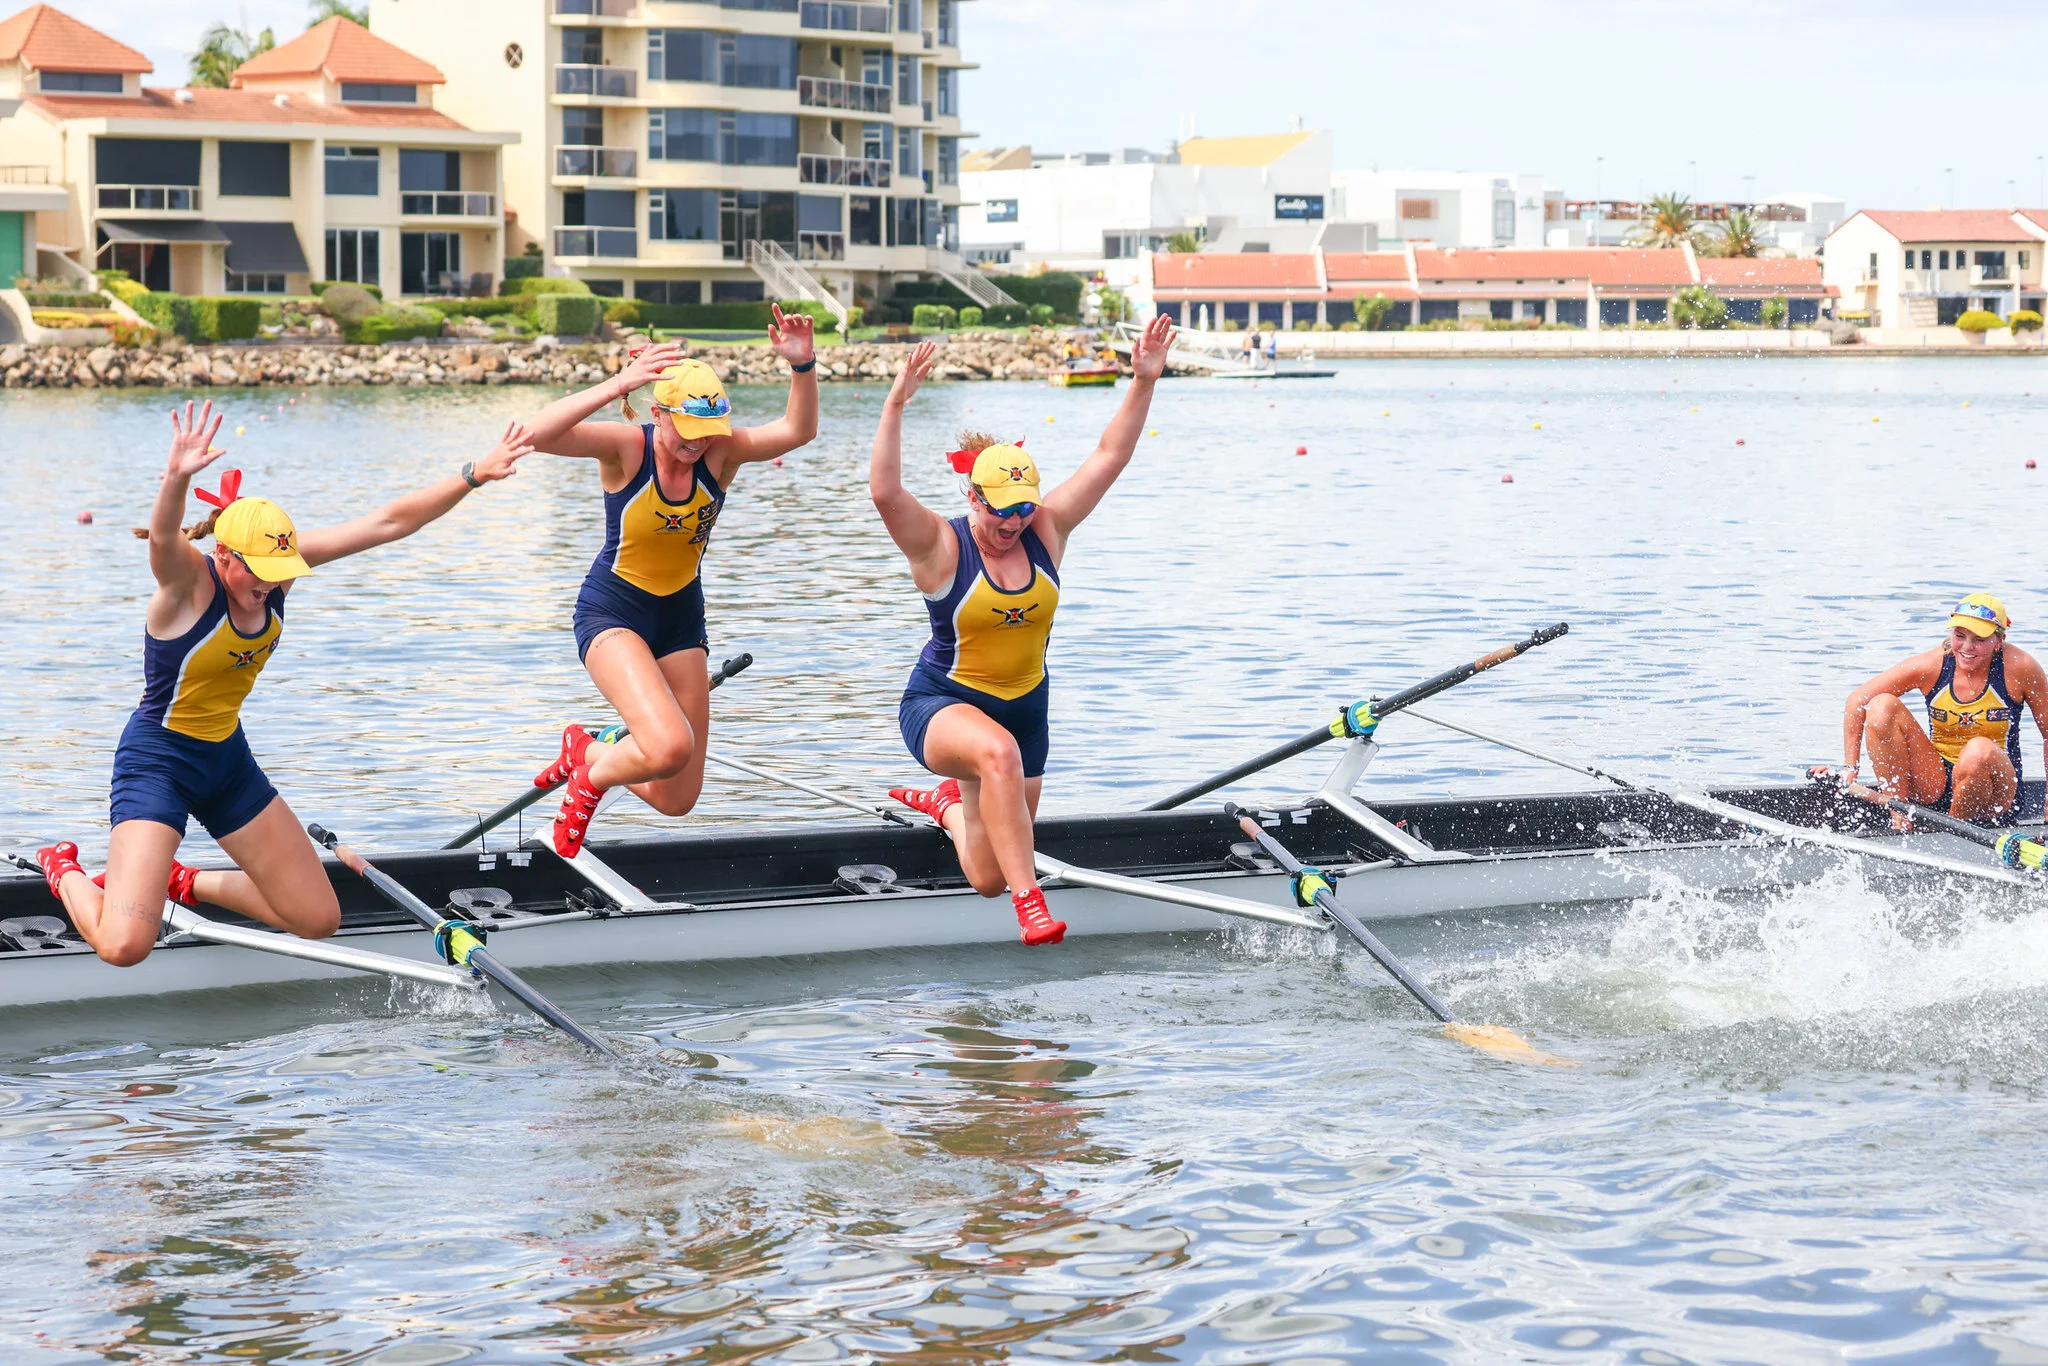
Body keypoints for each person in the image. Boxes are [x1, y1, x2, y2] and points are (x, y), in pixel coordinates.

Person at [36, 400, 534, 966]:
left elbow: (388, 523)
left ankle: (183, 881)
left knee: (316, 919)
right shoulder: (186, 586)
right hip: (158, 763)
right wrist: (176, 476)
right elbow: (162, 539)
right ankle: (63, 869)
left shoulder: (274, 577)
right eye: (260, 572)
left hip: (226, 762)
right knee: (124, 947)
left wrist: (473, 474)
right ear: (223, 554)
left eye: (280, 573)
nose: (271, 586)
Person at [873, 312, 1177, 945]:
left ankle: (949, 806)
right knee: (998, 758)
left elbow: (1110, 455)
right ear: (973, 497)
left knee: (984, 876)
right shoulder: (941, 546)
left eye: (1024, 507)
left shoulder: (1047, 531)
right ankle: (1030, 901)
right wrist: (896, 404)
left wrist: (1143, 379)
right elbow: (885, 493)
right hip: (942, 703)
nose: (1013, 522)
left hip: (1026, 714)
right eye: (1001, 510)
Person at [518, 308, 818, 857]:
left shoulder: (721, 453)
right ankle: (591, 777)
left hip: (681, 619)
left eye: (708, 432)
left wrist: (802, 366)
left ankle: (586, 752)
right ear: (658, 413)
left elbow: (797, 431)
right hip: (613, 613)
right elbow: (535, 435)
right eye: (688, 430)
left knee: (676, 795)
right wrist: (617, 384)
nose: (699, 444)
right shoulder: (627, 448)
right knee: (670, 744)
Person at [1820, 593, 2048, 825]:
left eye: (1979, 639)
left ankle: (1952, 829)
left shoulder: (2021, 668)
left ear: (1999, 640)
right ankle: (1900, 818)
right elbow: (1857, 700)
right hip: (1936, 783)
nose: (1967, 647)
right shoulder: (1932, 664)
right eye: (1960, 636)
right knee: (1881, 706)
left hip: (1995, 794)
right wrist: (1850, 767)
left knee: (1977, 750)